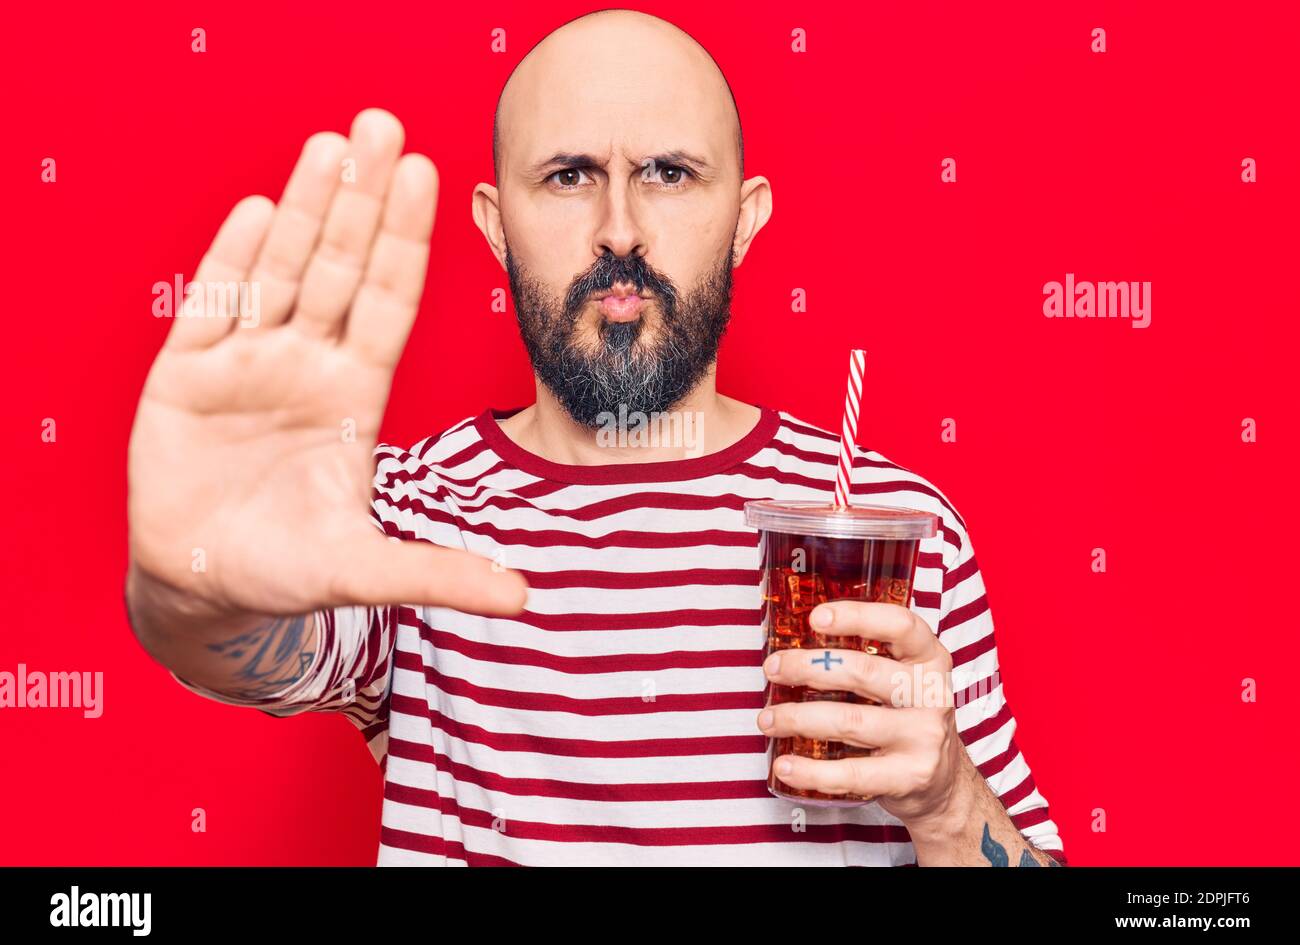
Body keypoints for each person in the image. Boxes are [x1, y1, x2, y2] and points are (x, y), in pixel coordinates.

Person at [124, 8, 1065, 866]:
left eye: (670, 173)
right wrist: (190, 584)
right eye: (570, 176)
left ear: (744, 221)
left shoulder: (891, 530)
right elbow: (236, 641)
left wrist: (946, 805)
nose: (621, 231)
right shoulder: (405, 519)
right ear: (497, 227)